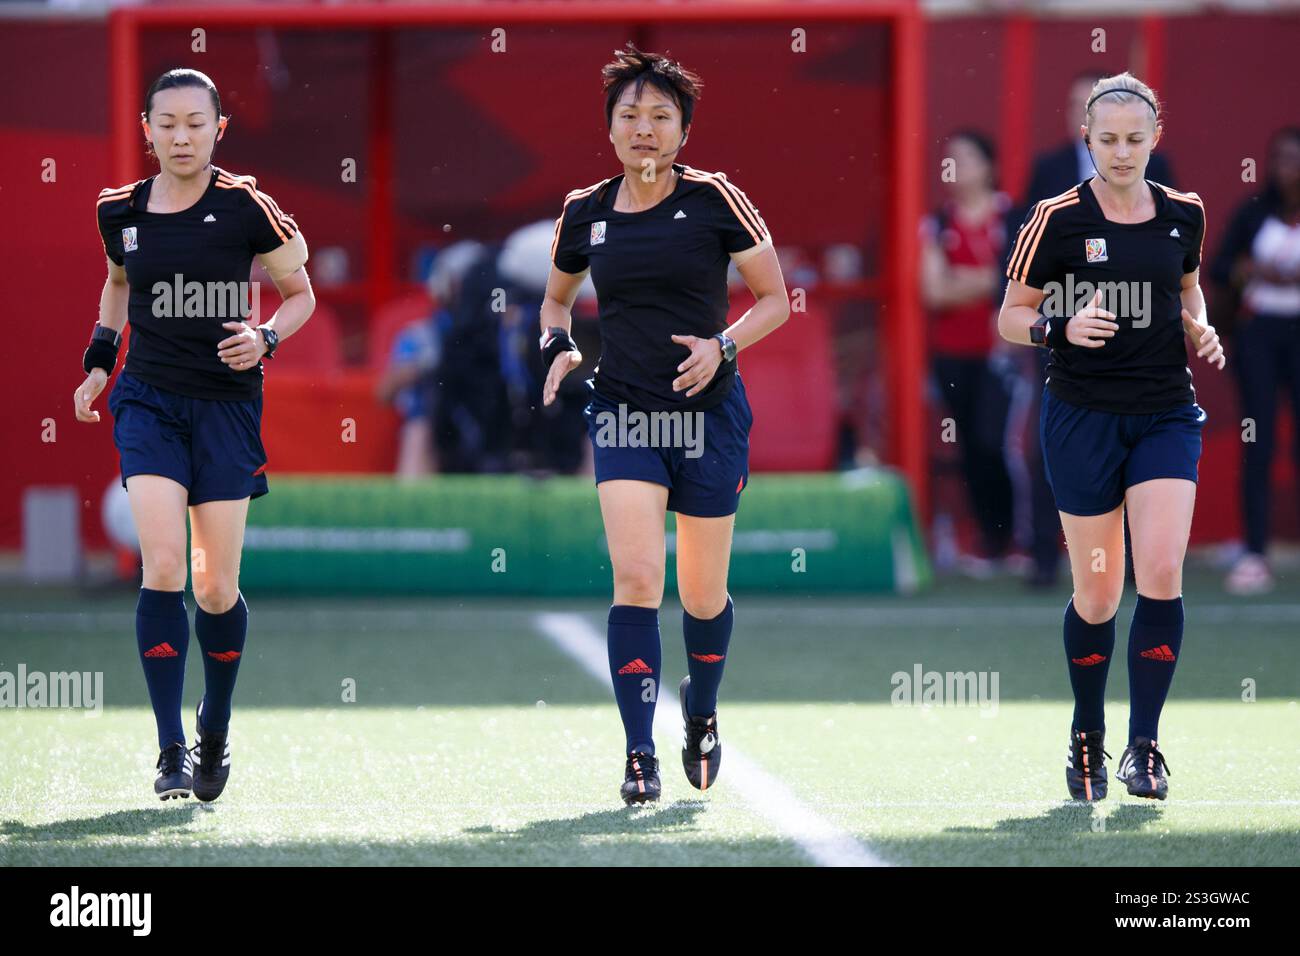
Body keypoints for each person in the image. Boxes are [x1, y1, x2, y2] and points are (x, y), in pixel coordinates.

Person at [541, 44, 789, 804]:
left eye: (660, 116)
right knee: (639, 578)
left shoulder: (716, 199)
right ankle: (639, 752)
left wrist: (722, 346)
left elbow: (775, 299)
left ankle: (702, 710)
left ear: (683, 131)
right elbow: (555, 300)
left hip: (710, 419)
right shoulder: (585, 211)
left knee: (703, 594)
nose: (643, 128)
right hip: (623, 412)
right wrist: (560, 344)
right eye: (629, 116)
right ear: (610, 129)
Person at [75, 68, 315, 802]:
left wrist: (267, 336)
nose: (181, 136)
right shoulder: (119, 210)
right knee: (165, 567)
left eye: (195, 123)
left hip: (226, 409)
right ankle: (170, 747)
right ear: (146, 129)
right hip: (147, 402)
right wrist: (97, 364)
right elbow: (120, 284)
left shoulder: (247, 207)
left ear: (219, 130)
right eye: (167, 123)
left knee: (215, 586)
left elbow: (300, 292)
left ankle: (214, 724)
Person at [998, 73, 1224, 802]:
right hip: (1081, 419)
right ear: (1086, 139)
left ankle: (1145, 746)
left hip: (1164, 413)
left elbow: (1186, 284)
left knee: (1159, 571)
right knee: (1097, 593)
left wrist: (1199, 323)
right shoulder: (1055, 219)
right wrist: (1057, 328)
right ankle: (1087, 732)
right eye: (1107, 139)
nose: (1122, 152)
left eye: (1135, 138)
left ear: (1156, 139)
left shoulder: (1183, 212)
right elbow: (1009, 316)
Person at [920, 130, 1022, 575]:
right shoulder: (938, 223)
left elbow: (1019, 283)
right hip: (951, 352)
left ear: (989, 166)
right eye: (949, 159)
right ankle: (988, 540)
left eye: (965, 158)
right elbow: (934, 290)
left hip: (1003, 353)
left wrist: (974, 281)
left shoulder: (1012, 218)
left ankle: (1019, 537)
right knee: (968, 447)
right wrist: (986, 281)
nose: (955, 168)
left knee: (998, 440)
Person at [1210, 127, 1300, 595]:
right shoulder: (1254, 212)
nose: (1288, 167)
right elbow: (1218, 266)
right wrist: (1249, 269)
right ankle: (1255, 552)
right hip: (1261, 333)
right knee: (1259, 439)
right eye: (1281, 158)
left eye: (1296, 159)